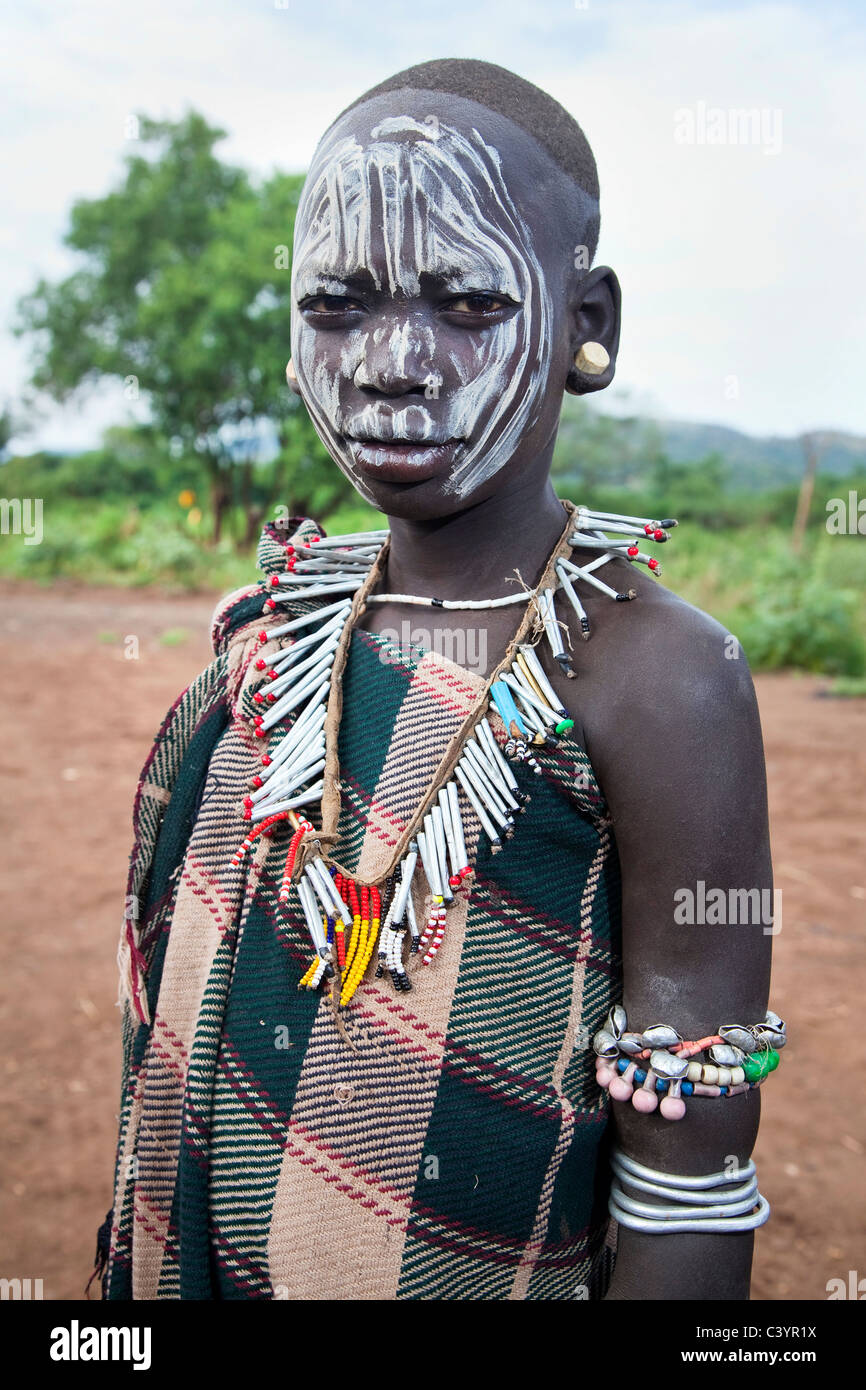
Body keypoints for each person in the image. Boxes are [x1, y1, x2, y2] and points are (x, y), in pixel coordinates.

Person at [96, 58, 778, 1302]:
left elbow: (688, 1168)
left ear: (590, 325)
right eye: (336, 304)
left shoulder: (657, 675)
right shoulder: (277, 623)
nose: (391, 362)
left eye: (467, 302)